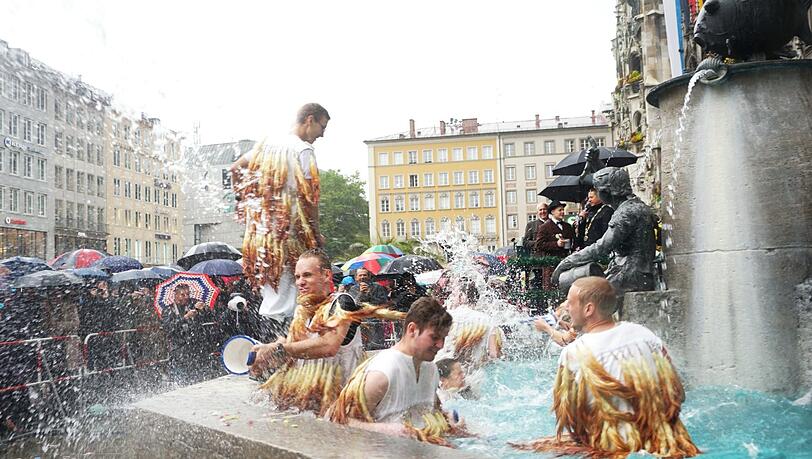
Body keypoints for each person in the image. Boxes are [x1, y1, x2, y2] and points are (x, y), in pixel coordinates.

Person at [515, 277, 699, 457]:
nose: (566, 308)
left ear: (588, 309)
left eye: (570, 303)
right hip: (663, 441)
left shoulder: (573, 354)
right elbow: (678, 393)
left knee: (523, 446)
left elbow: (572, 422)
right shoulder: (644, 335)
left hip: (611, 448)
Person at [250, 249, 403, 416]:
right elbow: (295, 347)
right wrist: (266, 354)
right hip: (312, 404)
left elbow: (328, 346)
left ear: (326, 275)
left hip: (344, 407)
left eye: (307, 275)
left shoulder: (342, 303)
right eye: (297, 276)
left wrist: (280, 349)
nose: (300, 282)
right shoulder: (301, 311)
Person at [230, 103, 330, 325]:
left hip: (262, 237)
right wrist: (315, 234)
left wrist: (244, 203)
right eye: (322, 127)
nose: (322, 135)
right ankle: (280, 350)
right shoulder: (303, 150)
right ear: (309, 120)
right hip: (290, 236)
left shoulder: (267, 146)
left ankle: (268, 343)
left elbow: (236, 168)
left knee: (272, 293)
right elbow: (310, 198)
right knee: (289, 300)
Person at [328, 297, 464, 446]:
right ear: (412, 330)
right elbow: (336, 421)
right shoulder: (382, 373)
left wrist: (449, 421)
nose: (441, 345)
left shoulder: (430, 369)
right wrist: (382, 429)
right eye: (434, 338)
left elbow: (431, 409)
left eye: (443, 338)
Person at [552, 167, 657, 297]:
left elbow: (601, 247)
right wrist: (596, 164)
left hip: (630, 276)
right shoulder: (636, 205)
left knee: (584, 296)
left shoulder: (625, 213)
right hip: (639, 272)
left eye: (597, 190)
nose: (596, 193)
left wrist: (567, 262)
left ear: (607, 192)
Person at [535, 200, 575, 289]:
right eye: (560, 210)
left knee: (566, 287)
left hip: (566, 262)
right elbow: (539, 245)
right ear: (552, 212)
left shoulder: (567, 226)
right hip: (551, 264)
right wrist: (556, 244)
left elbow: (573, 241)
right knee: (552, 288)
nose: (562, 212)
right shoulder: (544, 227)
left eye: (563, 210)